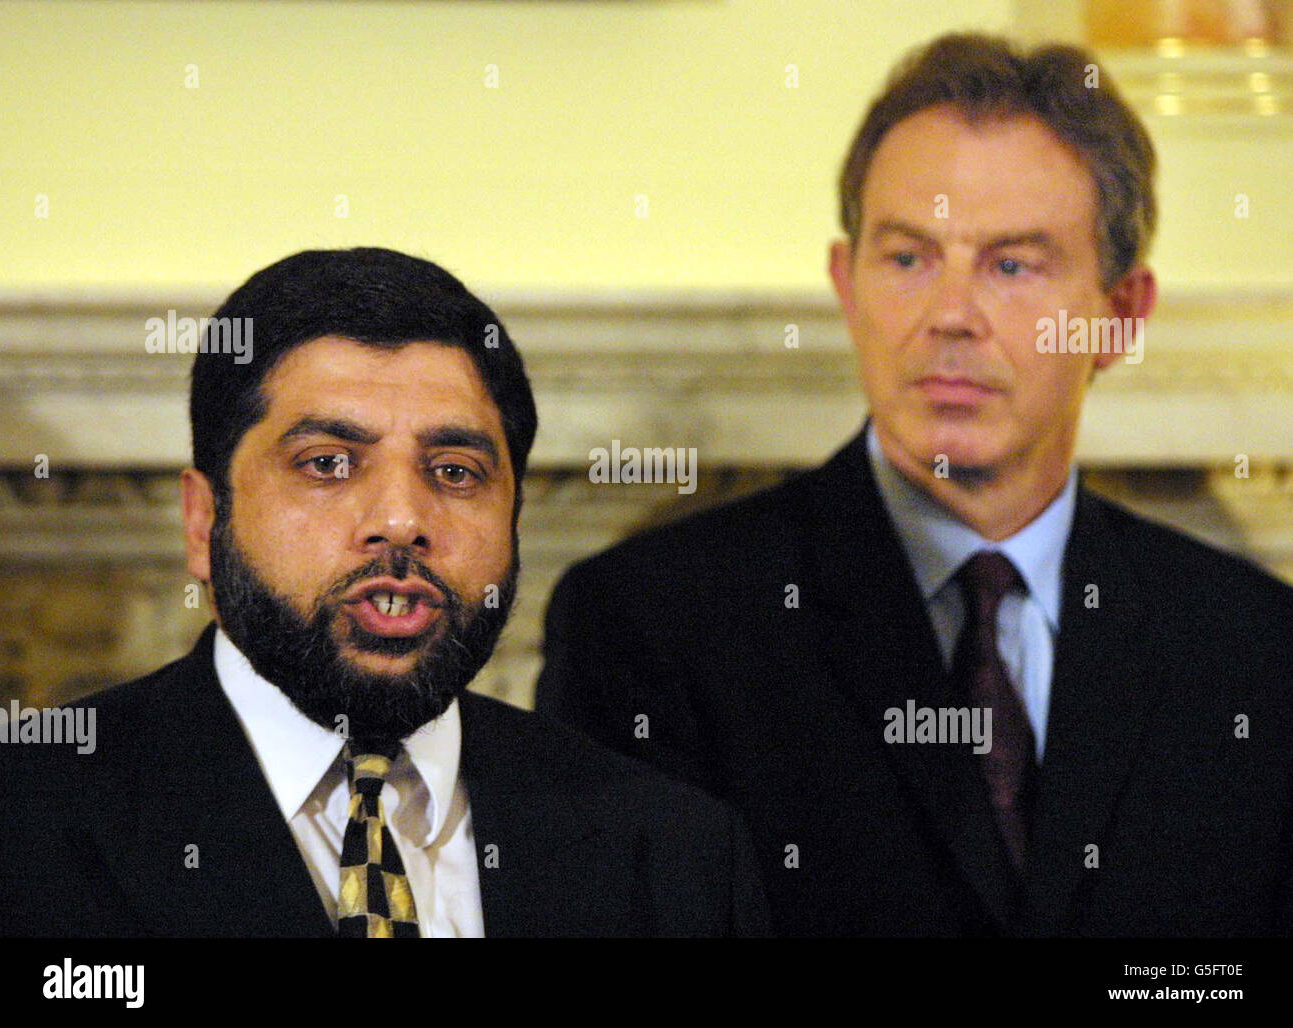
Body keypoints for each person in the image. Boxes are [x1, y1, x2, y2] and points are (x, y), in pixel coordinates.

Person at [536, 33, 1293, 937]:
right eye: (908, 258)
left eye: (1013, 265)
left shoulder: (1255, 652)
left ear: (1122, 317)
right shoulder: (652, 626)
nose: (949, 316)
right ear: (845, 286)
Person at [0, 247, 768, 938]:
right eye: (328, 463)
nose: (401, 521)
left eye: (455, 472)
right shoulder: (21, 819)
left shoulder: (672, 856)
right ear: (203, 521)